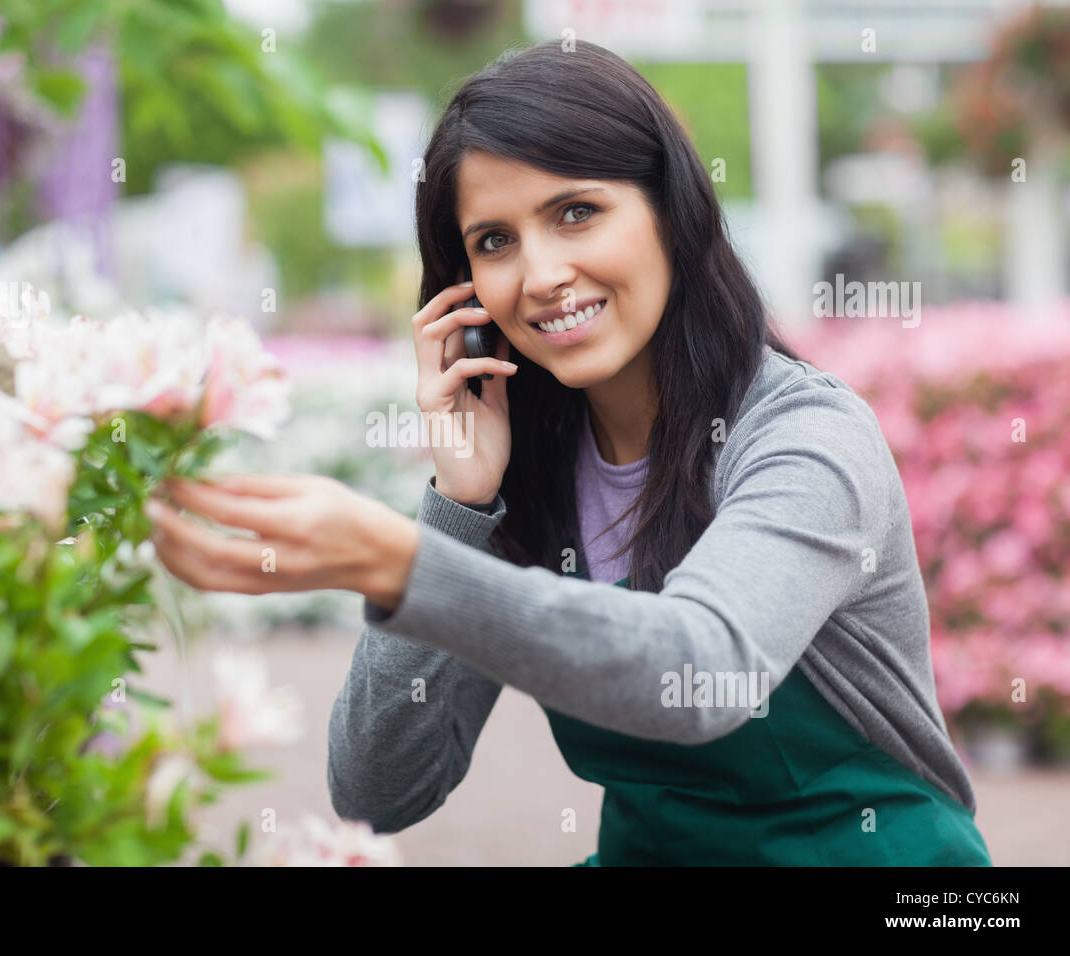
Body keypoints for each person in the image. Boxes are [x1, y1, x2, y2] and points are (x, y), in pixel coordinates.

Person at [146, 40, 991, 866]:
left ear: (672, 210)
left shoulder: (804, 436)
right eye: (495, 241)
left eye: (575, 212)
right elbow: (378, 793)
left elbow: (701, 667)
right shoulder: (529, 470)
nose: (541, 273)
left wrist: (400, 565)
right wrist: (456, 510)